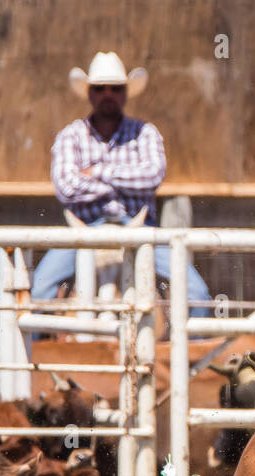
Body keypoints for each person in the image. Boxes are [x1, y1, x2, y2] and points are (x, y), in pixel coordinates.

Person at [31, 51, 211, 315]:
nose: (108, 94)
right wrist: (124, 178)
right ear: (89, 93)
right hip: (83, 231)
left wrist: (97, 173)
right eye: (100, 88)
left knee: (197, 294)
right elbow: (67, 188)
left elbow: (152, 177)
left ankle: (193, 354)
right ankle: (39, 354)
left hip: (140, 229)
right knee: (39, 292)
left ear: (125, 93)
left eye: (115, 88)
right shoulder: (71, 135)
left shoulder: (145, 132)